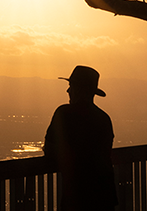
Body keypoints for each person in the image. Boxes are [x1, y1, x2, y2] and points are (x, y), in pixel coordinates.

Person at [43, 65, 117, 211]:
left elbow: (50, 150)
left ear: (80, 90)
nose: (68, 91)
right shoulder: (104, 118)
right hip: (105, 194)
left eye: (71, 86)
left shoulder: (64, 113)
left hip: (78, 195)